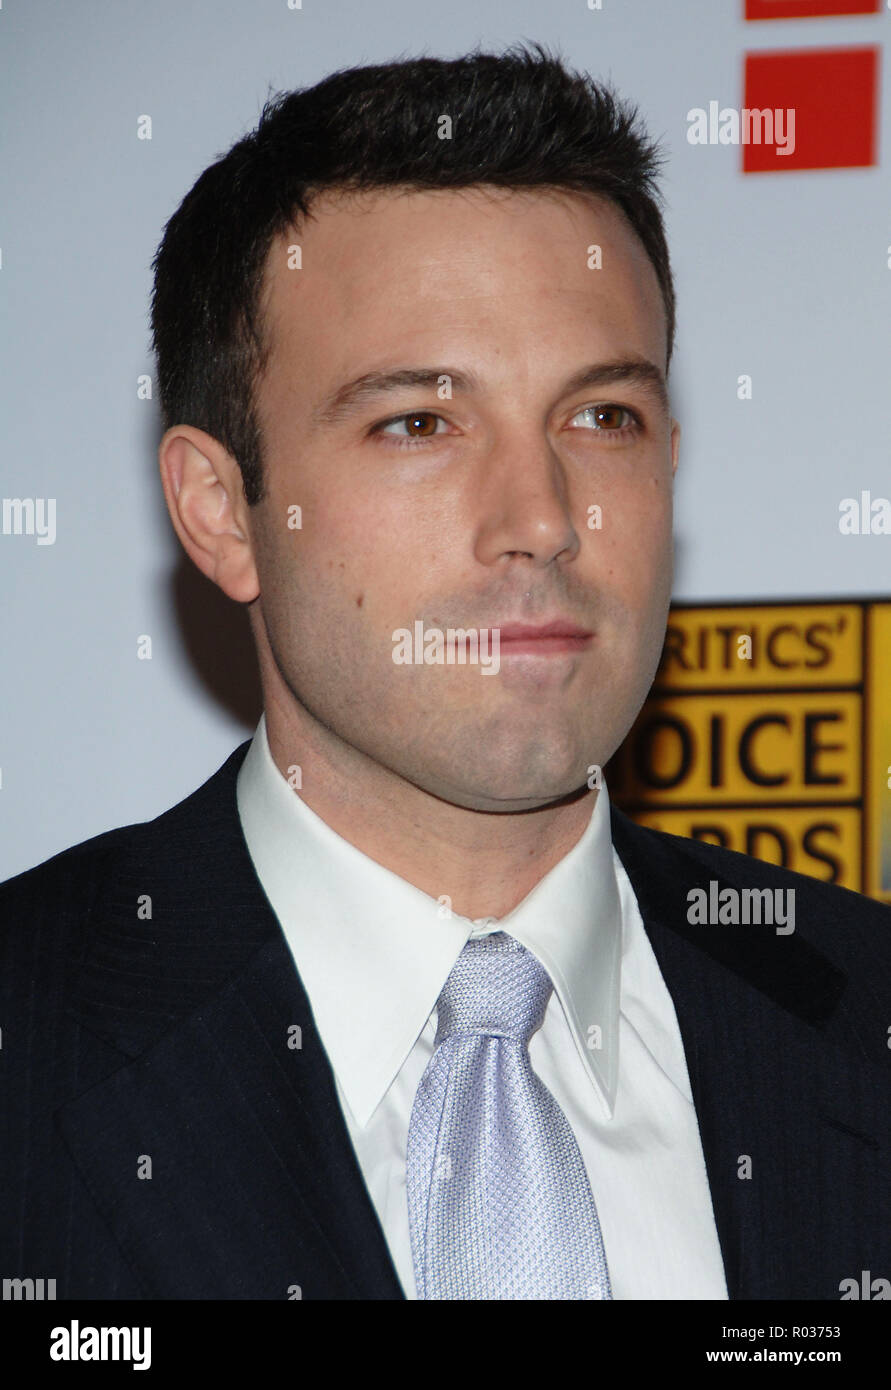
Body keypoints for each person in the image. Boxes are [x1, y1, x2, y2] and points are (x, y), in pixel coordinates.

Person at [2, 44, 889, 1302]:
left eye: (602, 417)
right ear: (221, 511)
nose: (540, 515)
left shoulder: (862, 1011)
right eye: (418, 421)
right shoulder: (27, 1039)